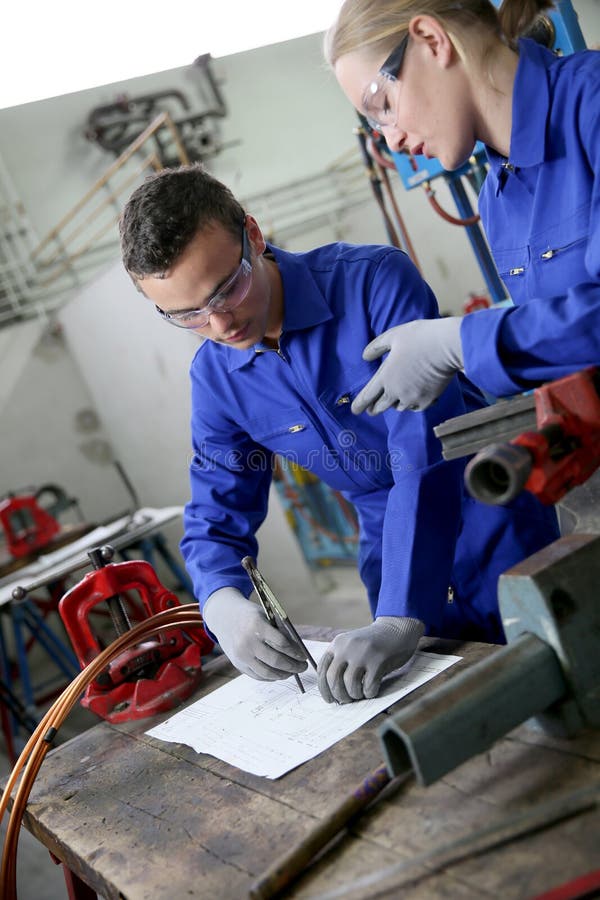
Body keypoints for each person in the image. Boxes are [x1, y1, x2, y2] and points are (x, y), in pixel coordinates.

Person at [119, 164, 558, 704]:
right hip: (387, 550)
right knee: (454, 708)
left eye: (227, 289)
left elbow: (423, 450)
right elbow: (216, 510)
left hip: (492, 513)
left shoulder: (373, 282)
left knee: (564, 675)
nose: (221, 325)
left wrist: (399, 614)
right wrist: (220, 600)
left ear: (253, 235)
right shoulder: (217, 379)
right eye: (187, 316)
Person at [324, 0, 600, 416]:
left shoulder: (592, 104)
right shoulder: (497, 200)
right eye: (376, 125)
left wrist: (461, 342)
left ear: (433, 41)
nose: (393, 140)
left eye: (383, 105)